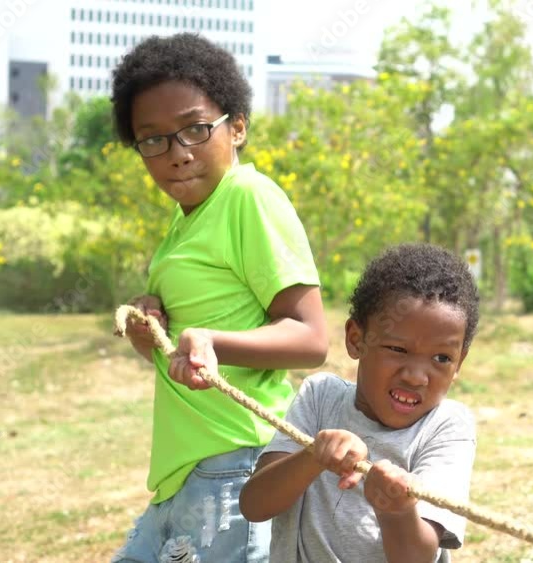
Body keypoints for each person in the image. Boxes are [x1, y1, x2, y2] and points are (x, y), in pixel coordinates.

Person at [111, 33, 329, 562]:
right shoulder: (182, 224)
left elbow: (309, 338)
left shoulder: (247, 198)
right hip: (185, 469)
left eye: (194, 128)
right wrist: (151, 325)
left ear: (237, 127)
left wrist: (210, 339)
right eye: (153, 138)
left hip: (234, 465)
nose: (177, 153)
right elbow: (183, 359)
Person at [240, 244, 480, 563]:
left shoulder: (447, 427)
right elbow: (254, 505)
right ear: (356, 339)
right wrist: (313, 456)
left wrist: (396, 511)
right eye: (397, 349)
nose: (416, 376)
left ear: (459, 363)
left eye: (441, 358)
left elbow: (417, 557)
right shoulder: (320, 397)